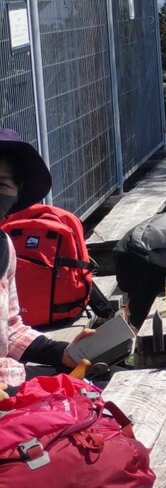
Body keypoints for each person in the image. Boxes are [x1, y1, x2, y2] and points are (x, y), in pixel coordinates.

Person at [0, 130, 90, 393]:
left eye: (2, 185)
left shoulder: (5, 247)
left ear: (16, 195)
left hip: (10, 381)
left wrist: (62, 352)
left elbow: (11, 328)